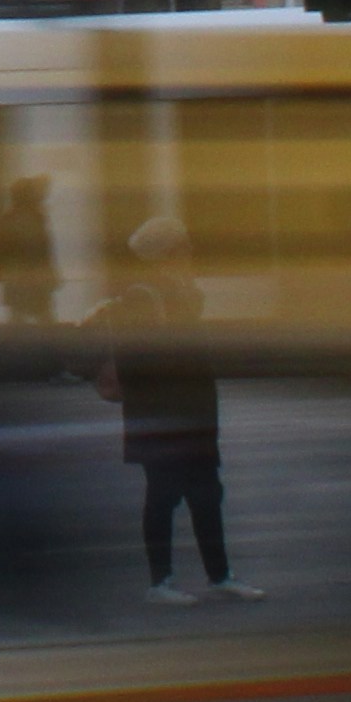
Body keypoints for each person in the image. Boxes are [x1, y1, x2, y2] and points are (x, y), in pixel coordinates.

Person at [102, 212, 250, 604]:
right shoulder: (143, 294)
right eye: (185, 244)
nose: (191, 250)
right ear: (168, 251)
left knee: (207, 493)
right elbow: (138, 358)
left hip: (191, 409)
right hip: (163, 412)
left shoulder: (184, 291)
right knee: (163, 494)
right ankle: (160, 582)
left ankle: (220, 575)